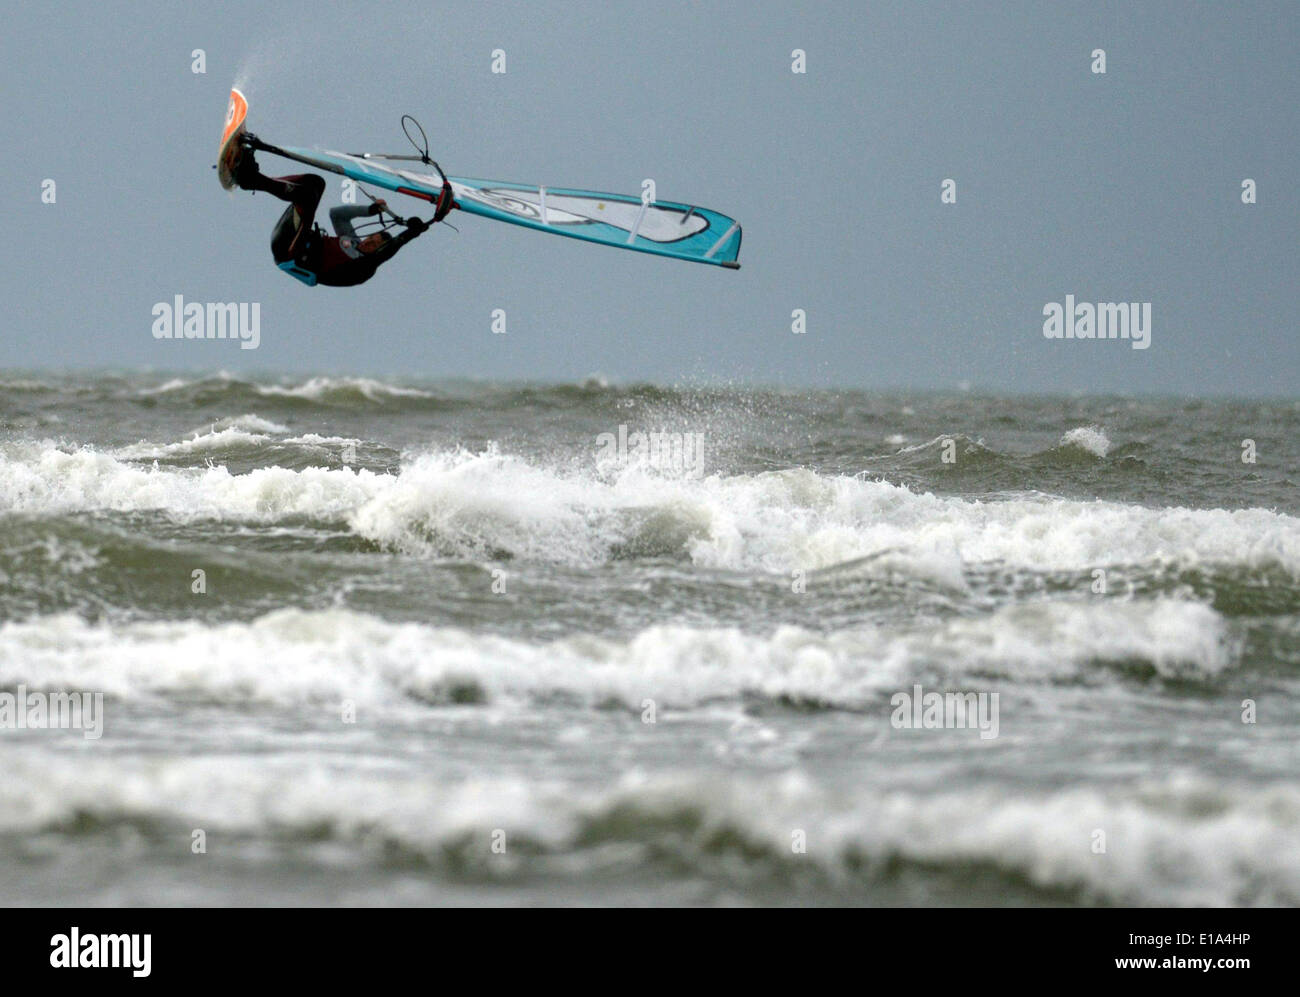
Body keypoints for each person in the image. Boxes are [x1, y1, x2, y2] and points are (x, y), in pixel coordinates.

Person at [233, 148, 440, 287]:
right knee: (315, 183)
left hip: (292, 255)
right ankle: (254, 179)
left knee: (306, 196)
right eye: (372, 238)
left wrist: (413, 232)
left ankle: (251, 179)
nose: (369, 242)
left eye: (374, 244)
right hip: (292, 237)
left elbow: (391, 247)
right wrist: (369, 210)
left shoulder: (365, 266)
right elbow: (337, 215)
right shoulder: (352, 242)